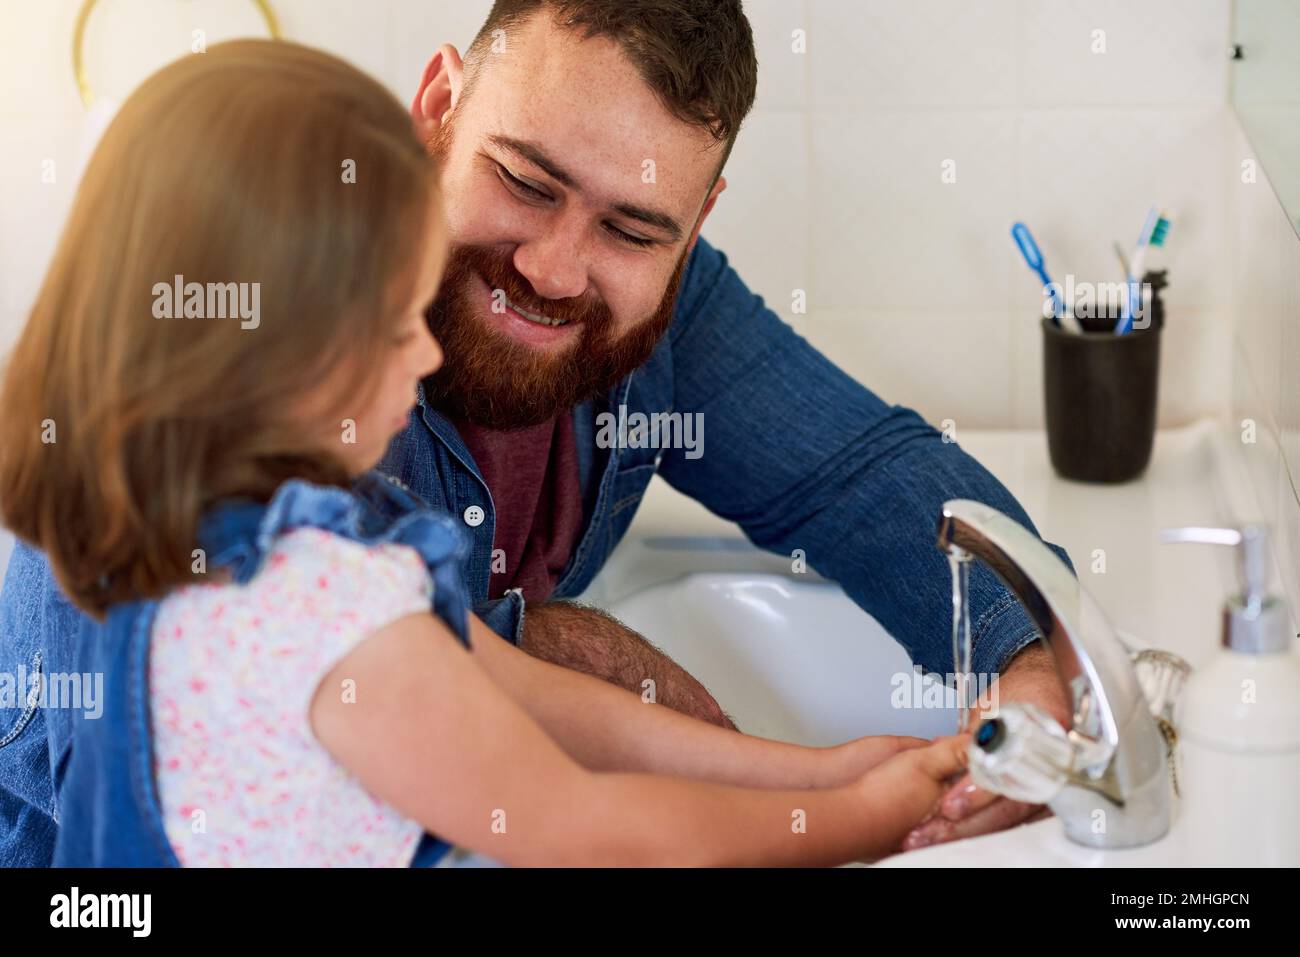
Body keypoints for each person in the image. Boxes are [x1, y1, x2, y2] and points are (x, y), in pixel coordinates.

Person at [0, 0, 1071, 863]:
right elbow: (574, 812)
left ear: (692, 228)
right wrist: (859, 817)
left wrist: (998, 674)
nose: (556, 269)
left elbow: (861, 474)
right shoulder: (219, 445)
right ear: (438, 106)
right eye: (524, 181)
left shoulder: (335, 561)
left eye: (632, 228)